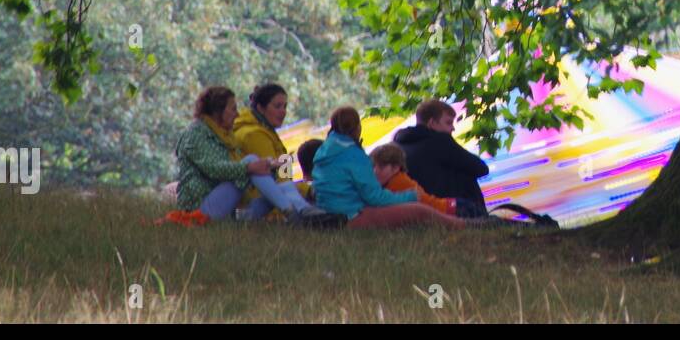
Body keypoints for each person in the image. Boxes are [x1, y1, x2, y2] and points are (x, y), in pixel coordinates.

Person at [174, 86, 316, 221]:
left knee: (283, 186)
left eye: (285, 106)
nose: (237, 114)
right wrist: (252, 167)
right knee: (251, 161)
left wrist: (268, 165)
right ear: (218, 111)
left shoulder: (227, 134)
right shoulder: (198, 134)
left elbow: (280, 177)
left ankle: (305, 212)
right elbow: (214, 169)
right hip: (199, 209)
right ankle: (294, 212)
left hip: (230, 207)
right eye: (233, 109)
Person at [312, 107, 467, 230]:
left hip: (331, 214)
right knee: (419, 211)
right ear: (357, 128)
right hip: (349, 216)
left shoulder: (323, 151)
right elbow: (375, 198)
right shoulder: (353, 155)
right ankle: (466, 225)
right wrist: (410, 196)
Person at [393, 99, 490, 212]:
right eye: (448, 123)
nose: (452, 128)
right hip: (449, 209)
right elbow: (481, 169)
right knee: (465, 172)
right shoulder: (440, 141)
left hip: (416, 212)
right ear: (432, 123)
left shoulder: (397, 144)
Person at [234, 83, 312, 200]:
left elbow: (284, 175)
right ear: (261, 108)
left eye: (285, 107)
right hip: (267, 209)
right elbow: (277, 177)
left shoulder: (267, 131)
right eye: (277, 106)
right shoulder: (254, 135)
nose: (283, 111)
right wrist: (308, 191)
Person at [371, 143, 461, 216]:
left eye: (381, 167)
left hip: (451, 210)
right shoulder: (391, 180)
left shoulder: (397, 182)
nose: (375, 171)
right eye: (373, 166)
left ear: (396, 168)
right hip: (450, 206)